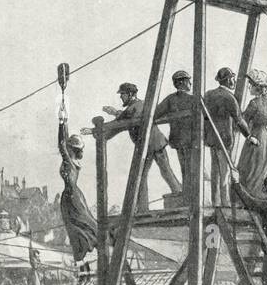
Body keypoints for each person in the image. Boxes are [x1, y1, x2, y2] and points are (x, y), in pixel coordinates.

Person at [100, 81, 181, 209]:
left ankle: (147, 206)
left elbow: (121, 122)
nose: (121, 97)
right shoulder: (137, 106)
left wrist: (99, 130)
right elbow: (122, 120)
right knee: (158, 173)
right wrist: (108, 124)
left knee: (148, 174)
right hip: (152, 144)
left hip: (150, 145)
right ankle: (172, 196)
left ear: (130, 94)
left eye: (123, 94)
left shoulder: (137, 106)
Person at [203, 66, 258, 205]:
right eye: (232, 78)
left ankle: (216, 202)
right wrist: (249, 136)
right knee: (225, 172)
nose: (234, 80)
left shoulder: (209, 94)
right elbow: (239, 119)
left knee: (215, 171)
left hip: (211, 139)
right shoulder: (229, 97)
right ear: (227, 80)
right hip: (225, 139)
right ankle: (225, 203)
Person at [57, 112, 98, 265]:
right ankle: (84, 253)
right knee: (81, 224)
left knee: (75, 226)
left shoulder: (69, 161)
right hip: (75, 194)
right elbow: (64, 144)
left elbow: (61, 144)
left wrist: (62, 123)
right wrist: (65, 122)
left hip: (70, 195)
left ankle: (81, 254)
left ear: (71, 149)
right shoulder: (74, 161)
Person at [235, 68, 267, 196]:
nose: (249, 87)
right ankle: (263, 193)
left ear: (256, 87)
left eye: (251, 85)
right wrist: (263, 120)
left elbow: (243, 119)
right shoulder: (265, 102)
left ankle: (250, 194)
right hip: (266, 139)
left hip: (255, 138)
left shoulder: (253, 103)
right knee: (263, 166)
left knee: (251, 167)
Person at [153, 68, 197, 187]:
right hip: (192, 139)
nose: (191, 84)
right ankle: (191, 194)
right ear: (181, 82)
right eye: (188, 81)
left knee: (185, 168)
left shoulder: (170, 99)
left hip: (178, 140)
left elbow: (156, 113)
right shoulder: (194, 99)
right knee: (193, 168)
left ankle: (188, 193)